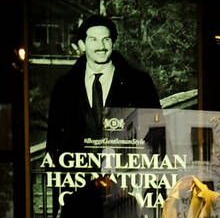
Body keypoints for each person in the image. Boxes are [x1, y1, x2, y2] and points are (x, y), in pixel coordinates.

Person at [46, 14, 161, 160]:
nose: (101, 46)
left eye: (106, 39)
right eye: (93, 40)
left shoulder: (140, 83)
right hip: (77, 180)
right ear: (82, 45)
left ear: (113, 43)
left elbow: (156, 134)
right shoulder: (64, 87)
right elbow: (54, 142)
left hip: (127, 178)